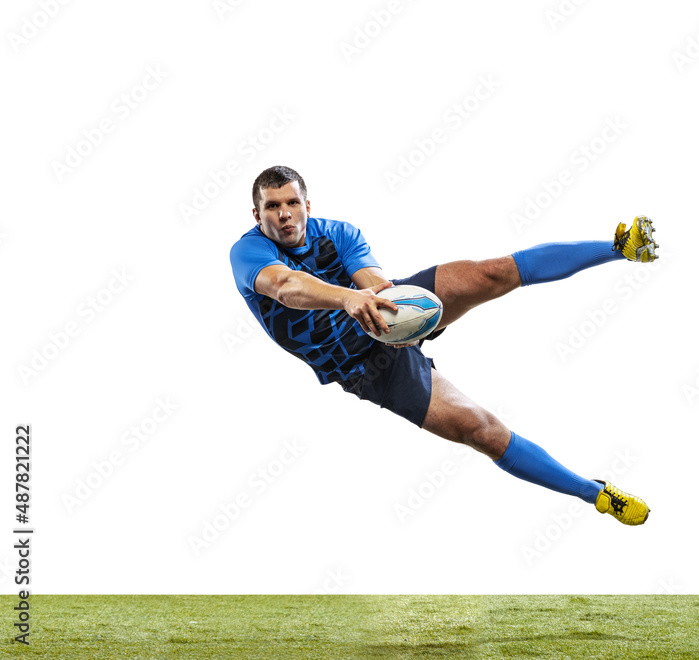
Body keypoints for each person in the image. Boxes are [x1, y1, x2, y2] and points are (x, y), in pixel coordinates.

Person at [230, 165, 657, 525]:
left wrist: (402, 320)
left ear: (308, 205)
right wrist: (348, 298)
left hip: (384, 319)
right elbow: (285, 287)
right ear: (257, 213)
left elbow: (376, 285)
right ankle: (595, 494)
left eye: (292, 203)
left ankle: (621, 247)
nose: (284, 214)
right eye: (273, 206)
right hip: (365, 367)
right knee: (483, 431)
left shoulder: (338, 233)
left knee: (491, 273)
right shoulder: (248, 251)